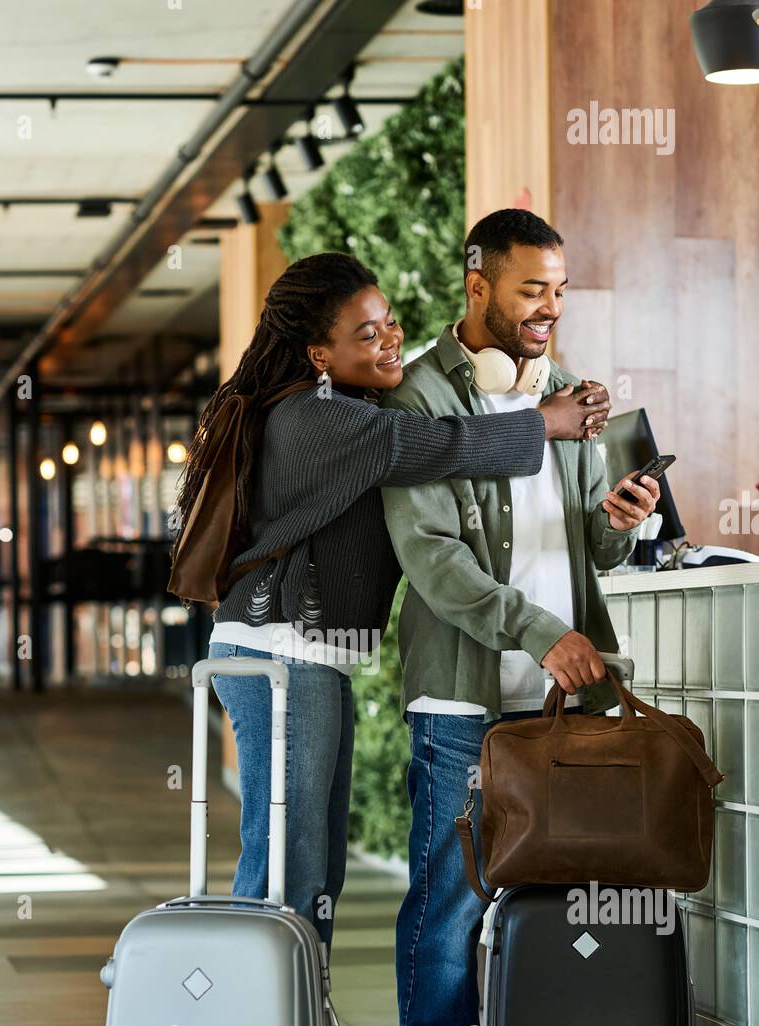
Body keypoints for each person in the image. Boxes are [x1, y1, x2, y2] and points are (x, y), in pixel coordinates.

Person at [175, 251, 610, 955]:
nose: (390, 342)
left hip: (299, 659)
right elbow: (432, 443)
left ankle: (292, 1024)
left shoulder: (333, 410)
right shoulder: (318, 418)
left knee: (310, 864)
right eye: (367, 334)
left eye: (390, 324)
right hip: (277, 655)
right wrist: (544, 422)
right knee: (287, 861)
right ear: (319, 354)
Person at [380, 209, 659, 1026]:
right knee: (450, 897)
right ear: (478, 284)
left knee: (571, 890)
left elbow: (584, 536)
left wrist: (621, 519)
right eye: (530, 289)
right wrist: (543, 634)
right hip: (463, 695)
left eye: (559, 289)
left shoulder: (566, 396)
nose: (549, 308)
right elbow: (434, 562)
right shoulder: (419, 400)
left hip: (557, 697)